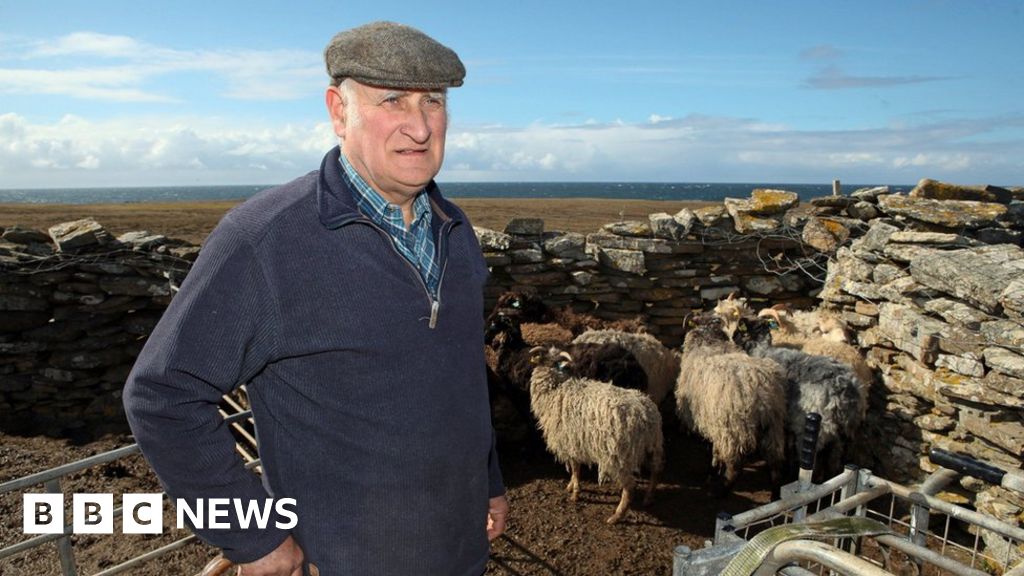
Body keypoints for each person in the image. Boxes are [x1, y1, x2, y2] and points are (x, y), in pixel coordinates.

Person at [123, 21, 508, 576]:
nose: (420, 127)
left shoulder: (455, 230)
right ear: (338, 110)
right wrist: (252, 537)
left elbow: (462, 379)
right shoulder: (266, 240)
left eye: (433, 101)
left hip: (461, 551)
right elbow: (161, 395)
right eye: (392, 100)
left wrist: (488, 482)